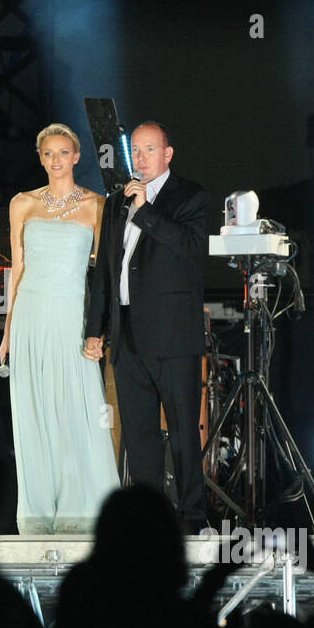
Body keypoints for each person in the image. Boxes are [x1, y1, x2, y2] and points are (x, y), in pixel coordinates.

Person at [84, 121, 215, 532]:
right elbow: (106, 271)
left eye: (149, 149)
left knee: (181, 432)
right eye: (135, 151)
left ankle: (192, 517)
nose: (140, 159)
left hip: (173, 336)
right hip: (127, 335)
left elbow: (192, 251)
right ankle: (148, 522)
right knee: (139, 436)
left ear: (168, 154)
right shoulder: (116, 202)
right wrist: (96, 327)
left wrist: (148, 211)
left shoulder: (190, 196)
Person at [0, 123, 119, 533]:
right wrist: (7, 331)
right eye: (48, 153)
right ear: (41, 157)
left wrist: (97, 330)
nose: (55, 161)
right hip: (30, 314)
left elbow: (103, 277)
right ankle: (36, 516)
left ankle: (80, 513)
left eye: (63, 153)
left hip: (71, 316)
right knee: (32, 413)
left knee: (75, 411)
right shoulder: (22, 204)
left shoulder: (97, 206)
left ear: (77, 156)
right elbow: (17, 270)